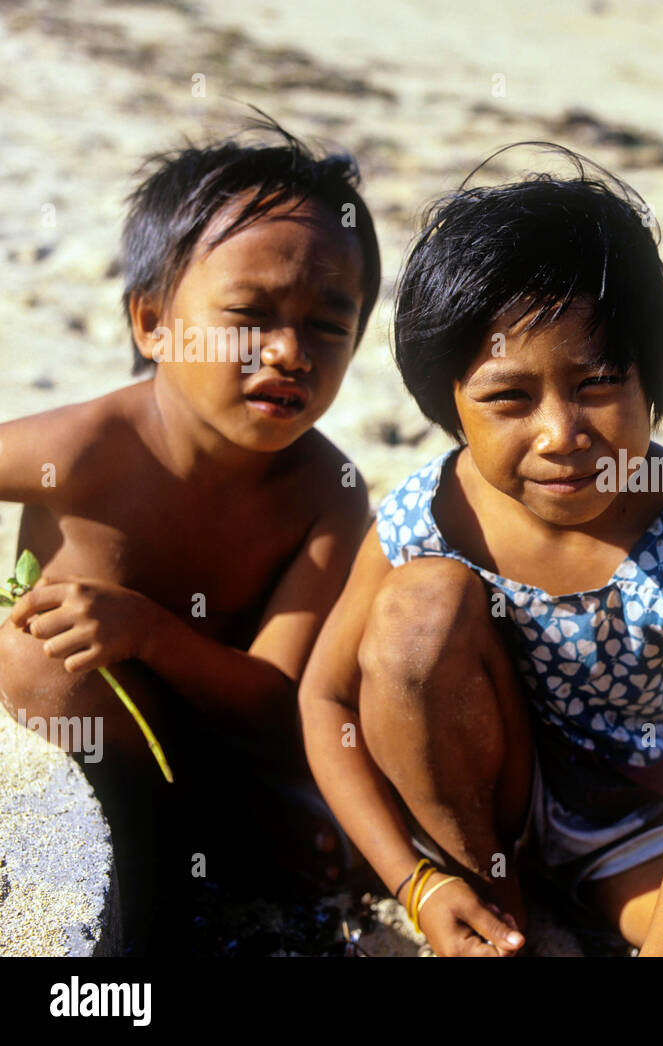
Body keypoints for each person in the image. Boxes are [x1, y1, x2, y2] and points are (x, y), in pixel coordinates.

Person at [300, 146, 663, 956]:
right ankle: (498, 895)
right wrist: (417, 880)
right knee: (414, 618)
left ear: (652, 377)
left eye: (597, 384)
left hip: (642, 823)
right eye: (510, 396)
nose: (561, 434)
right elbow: (324, 701)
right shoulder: (425, 520)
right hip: (472, 808)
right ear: (451, 405)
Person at [0, 119, 380, 950]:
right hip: (89, 741)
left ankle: (206, 845)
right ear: (152, 324)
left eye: (327, 326)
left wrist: (147, 629)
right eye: (250, 314)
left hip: (224, 756)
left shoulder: (329, 495)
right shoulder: (88, 450)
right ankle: (146, 887)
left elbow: (279, 707)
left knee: (326, 834)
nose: (288, 352)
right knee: (37, 659)